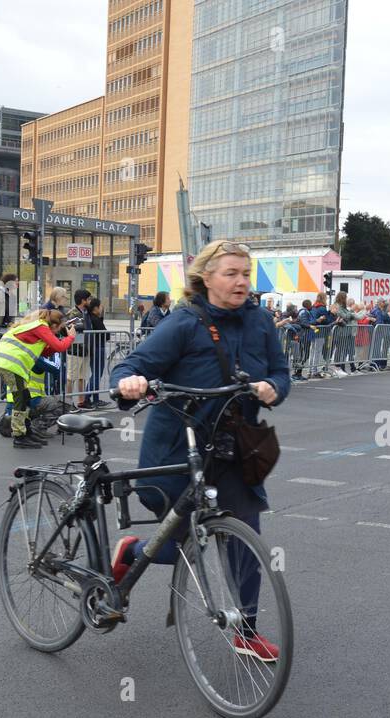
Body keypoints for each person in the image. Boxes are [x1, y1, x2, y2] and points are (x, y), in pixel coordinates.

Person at [110, 239, 290, 662]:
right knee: (178, 548)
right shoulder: (184, 322)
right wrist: (130, 382)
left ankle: (246, 629)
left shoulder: (260, 321)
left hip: (231, 450)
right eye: (231, 273)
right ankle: (133, 551)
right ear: (205, 278)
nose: (241, 281)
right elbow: (130, 366)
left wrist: (273, 388)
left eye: (246, 273)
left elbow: (282, 372)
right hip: (176, 451)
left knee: (245, 539)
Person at [0, 307, 76, 448]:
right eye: (58, 329)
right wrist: (70, 337)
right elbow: (59, 347)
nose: (57, 332)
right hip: (9, 364)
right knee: (20, 398)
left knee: (25, 397)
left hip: (8, 364)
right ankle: (19, 436)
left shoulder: (37, 328)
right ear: (53, 325)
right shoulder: (41, 326)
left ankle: (27, 432)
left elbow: (47, 351)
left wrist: (59, 342)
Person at [65, 289, 92, 406]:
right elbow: (69, 329)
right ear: (83, 300)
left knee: (82, 377)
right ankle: (68, 403)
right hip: (75, 351)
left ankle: (81, 401)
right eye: (89, 299)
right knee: (71, 377)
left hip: (85, 350)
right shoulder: (73, 313)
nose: (90, 301)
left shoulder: (86, 312)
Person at [84, 296, 112, 409]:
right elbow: (106, 335)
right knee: (96, 375)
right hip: (98, 348)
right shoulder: (95, 319)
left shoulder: (92, 317)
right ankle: (87, 397)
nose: (101, 308)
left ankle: (95, 399)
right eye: (100, 306)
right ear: (95, 308)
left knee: (95, 374)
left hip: (94, 348)